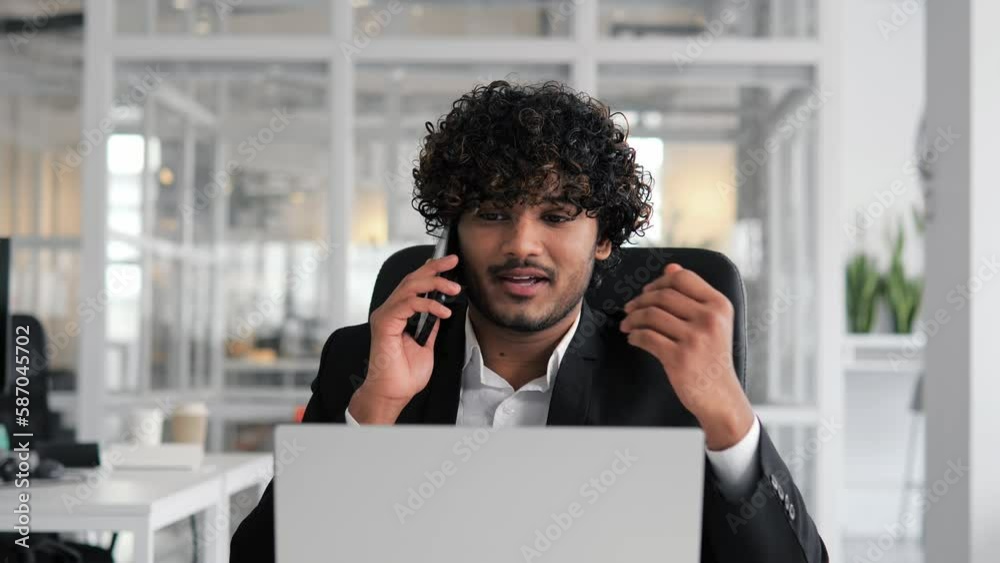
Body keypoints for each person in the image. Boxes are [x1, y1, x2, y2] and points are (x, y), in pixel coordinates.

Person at [231, 80, 828, 562]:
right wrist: (375, 410)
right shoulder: (363, 362)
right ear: (451, 237)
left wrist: (728, 415)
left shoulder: (665, 375)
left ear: (603, 240)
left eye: (557, 215)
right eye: (492, 213)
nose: (523, 243)